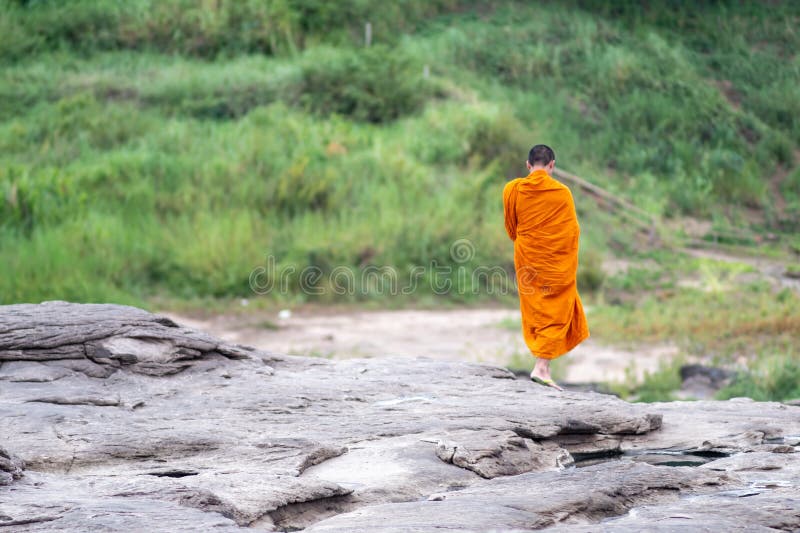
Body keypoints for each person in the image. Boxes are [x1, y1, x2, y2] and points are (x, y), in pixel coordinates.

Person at [503, 145, 589, 391]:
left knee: (537, 309)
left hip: (527, 259)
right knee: (555, 309)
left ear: (528, 165)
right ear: (552, 165)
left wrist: (529, 244)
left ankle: (542, 366)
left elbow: (512, 228)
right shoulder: (562, 193)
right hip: (555, 263)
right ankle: (541, 368)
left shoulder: (512, 190)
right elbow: (571, 231)